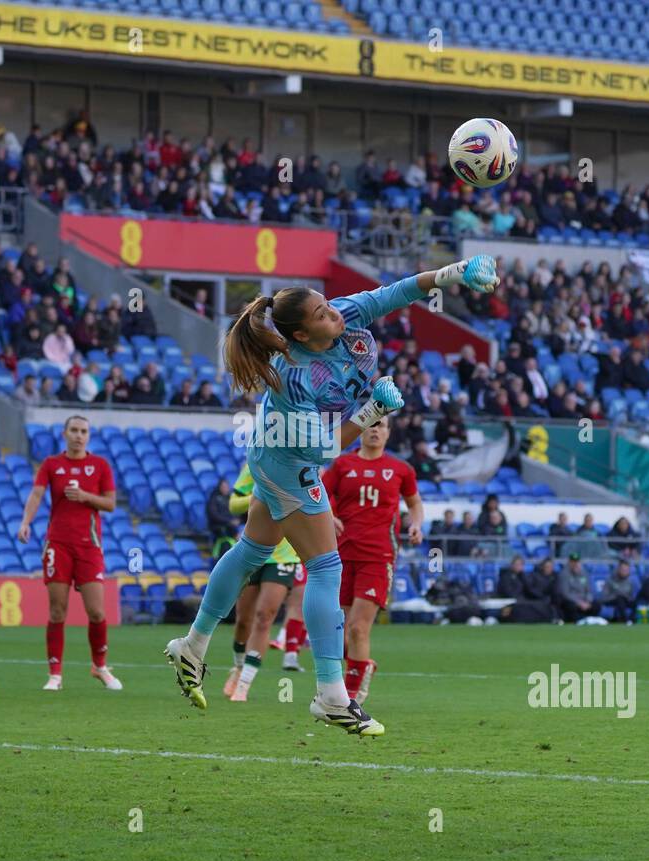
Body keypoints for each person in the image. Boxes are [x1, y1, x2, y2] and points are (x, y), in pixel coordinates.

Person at [162, 255, 499, 735]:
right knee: (325, 566)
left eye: (327, 305)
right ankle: (331, 695)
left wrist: (454, 272)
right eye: (321, 314)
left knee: (252, 549)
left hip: (279, 454)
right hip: (288, 457)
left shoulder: (346, 315)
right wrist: (374, 409)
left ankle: (192, 646)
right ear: (300, 335)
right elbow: (322, 451)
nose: (334, 314)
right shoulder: (293, 374)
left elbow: (397, 291)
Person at [322, 415, 424, 704]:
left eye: (381, 426)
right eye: (371, 425)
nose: (375, 430)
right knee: (338, 631)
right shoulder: (342, 465)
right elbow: (318, 493)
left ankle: (351, 696)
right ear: (361, 431)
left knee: (357, 627)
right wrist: (330, 516)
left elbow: (415, 502)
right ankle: (362, 665)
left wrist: (416, 524)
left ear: (388, 433)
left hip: (378, 557)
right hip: (342, 555)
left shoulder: (400, 469)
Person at [17, 416, 120, 691]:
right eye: (74, 430)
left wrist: (86, 496)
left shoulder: (100, 465)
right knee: (57, 611)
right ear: (64, 433)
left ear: (89, 435)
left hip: (89, 546)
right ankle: (55, 674)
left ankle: (99, 666)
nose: (78, 435)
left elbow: (110, 504)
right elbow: (37, 495)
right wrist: (26, 522)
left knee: (97, 611)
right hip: (58, 544)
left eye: (83, 431)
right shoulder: (52, 464)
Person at [223, 462, 306, 701]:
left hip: (284, 555)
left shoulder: (300, 465)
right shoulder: (256, 464)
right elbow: (233, 504)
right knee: (243, 620)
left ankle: (245, 684)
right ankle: (238, 666)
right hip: (253, 549)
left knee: (264, 615)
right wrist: (260, 496)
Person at [556, 553, 596, 622]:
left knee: (596, 604)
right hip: (573, 601)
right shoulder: (564, 574)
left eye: (577, 561)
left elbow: (589, 590)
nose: (575, 564)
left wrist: (587, 601)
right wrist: (579, 603)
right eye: (573, 561)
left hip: (584, 601)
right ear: (569, 562)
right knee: (570, 605)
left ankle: (591, 620)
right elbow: (565, 593)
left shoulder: (584, 573)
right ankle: (577, 621)